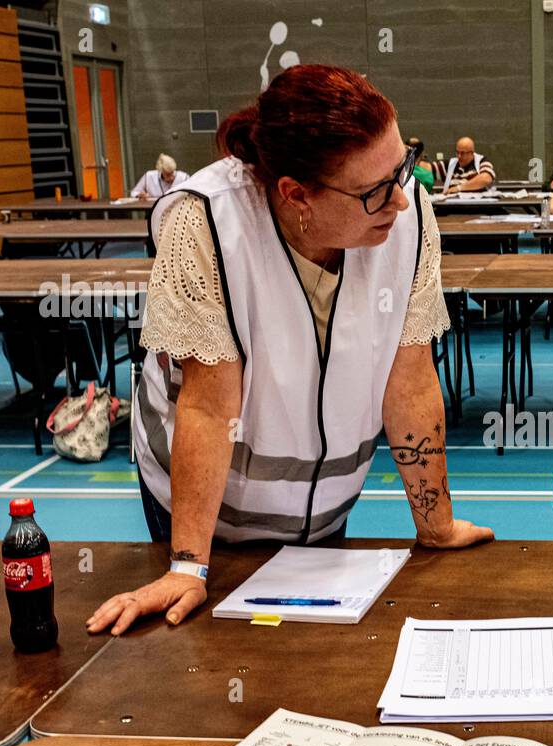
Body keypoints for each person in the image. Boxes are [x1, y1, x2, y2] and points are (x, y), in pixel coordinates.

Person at [88, 65, 492, 637]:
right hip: (210, 515)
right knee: (212, 653)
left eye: (402, 168)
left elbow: (412, 380)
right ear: (296, 194)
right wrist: (186, 567)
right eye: (376, 190)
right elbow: (207, 405)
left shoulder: (407, 217)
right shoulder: (205, 220)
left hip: (325, 506)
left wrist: (436, 525)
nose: (401, 201)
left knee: (308, 651)